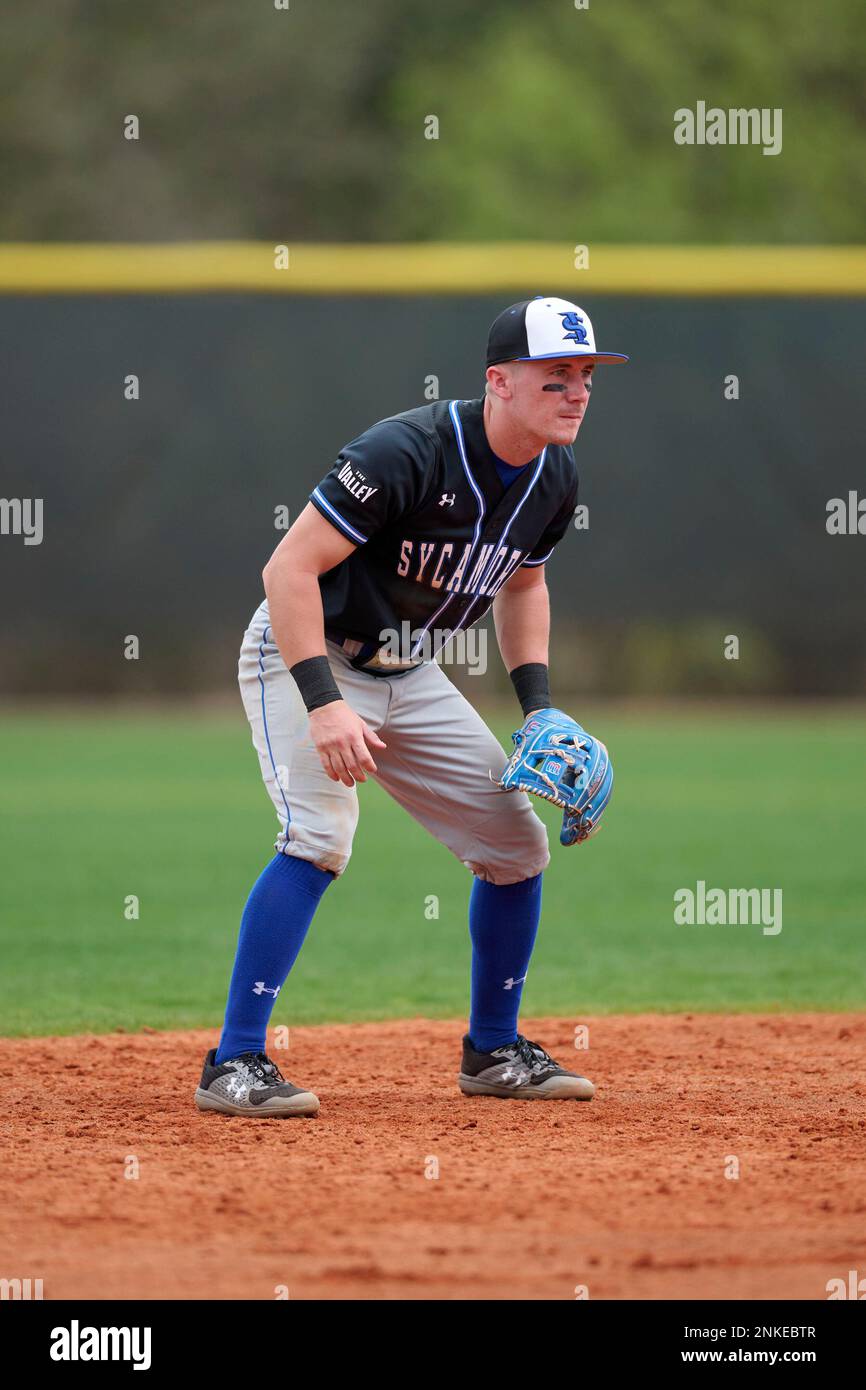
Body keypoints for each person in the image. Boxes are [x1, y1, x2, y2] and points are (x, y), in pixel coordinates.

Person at [194, 296, 628, 1117]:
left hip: (408, 670)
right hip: (309, 651)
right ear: (499, 382)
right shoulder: (406, 451)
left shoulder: (555, 476)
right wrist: (322, 705)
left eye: (586, 377)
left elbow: (525, 585)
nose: (577, 392)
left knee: (515, 846)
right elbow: (287, 571)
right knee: (319, 837)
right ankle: (235, 1062)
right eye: (556, 376)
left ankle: (494, 1051)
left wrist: (536, 707)